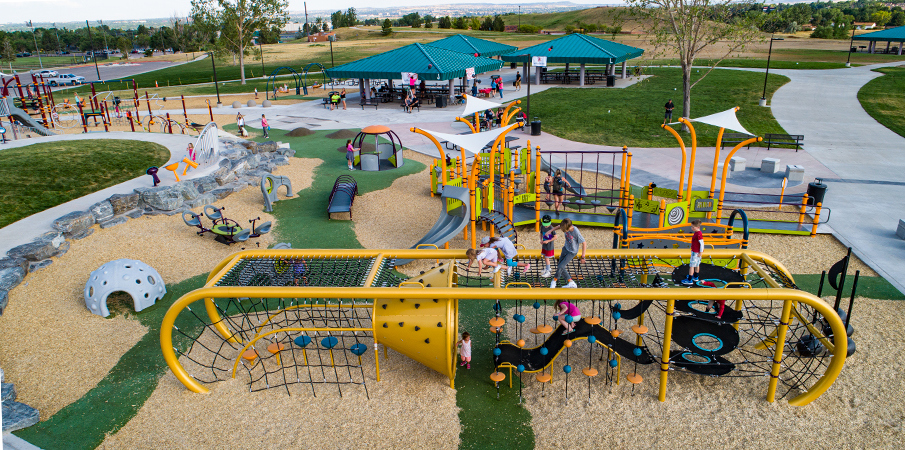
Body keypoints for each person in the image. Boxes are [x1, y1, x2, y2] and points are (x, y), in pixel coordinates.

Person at [549, 218, 586, 289]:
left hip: (572, 252)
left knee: (560, 267)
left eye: (565, 230)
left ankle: (554, 281)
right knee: (560, 266)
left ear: (569, 227)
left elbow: (584, 243)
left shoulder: (576, 232)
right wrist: (550, 231)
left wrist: (583, 257)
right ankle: (571, 282)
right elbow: (559, 226)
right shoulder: (565, 226)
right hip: (565, 248)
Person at [682, 219, 704, 285]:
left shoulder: (699, 234)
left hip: (695, 252)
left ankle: (689, 279)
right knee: (697, 264)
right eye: (691, 226)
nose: (692, 228)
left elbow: (702, 243)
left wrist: (700, 252)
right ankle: (696, 276)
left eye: (693, 227)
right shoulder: (697, 233)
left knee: (692, 266)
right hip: (697, 252)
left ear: (698, 227)